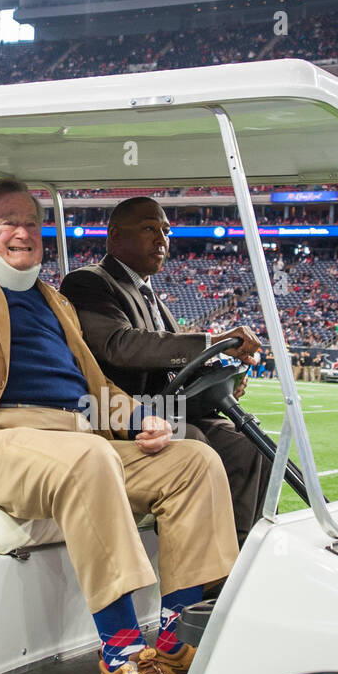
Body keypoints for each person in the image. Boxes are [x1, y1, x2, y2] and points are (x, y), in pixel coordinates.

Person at [0, 179, 238, 674]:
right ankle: (122, 657)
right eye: (8, 221)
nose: (24, 231)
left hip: (72, 434)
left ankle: (171, 638)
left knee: (195, 461)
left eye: (32, 222)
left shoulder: (54, 299)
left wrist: (140, 418)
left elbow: (95, 387)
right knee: (89, 460)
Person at [61, 197, 271, 549]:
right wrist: (210, 340)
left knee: (253, 445)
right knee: (193, 442)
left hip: (165, 411)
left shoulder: (150, 296)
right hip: (115, 412)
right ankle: (204, 568)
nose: (162, 239)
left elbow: (171, 368)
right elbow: (120, 345)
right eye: (148, 228)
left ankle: (243, 553)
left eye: (166, 230)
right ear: (113, 235)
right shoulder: (88, 282)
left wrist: (223, 379)